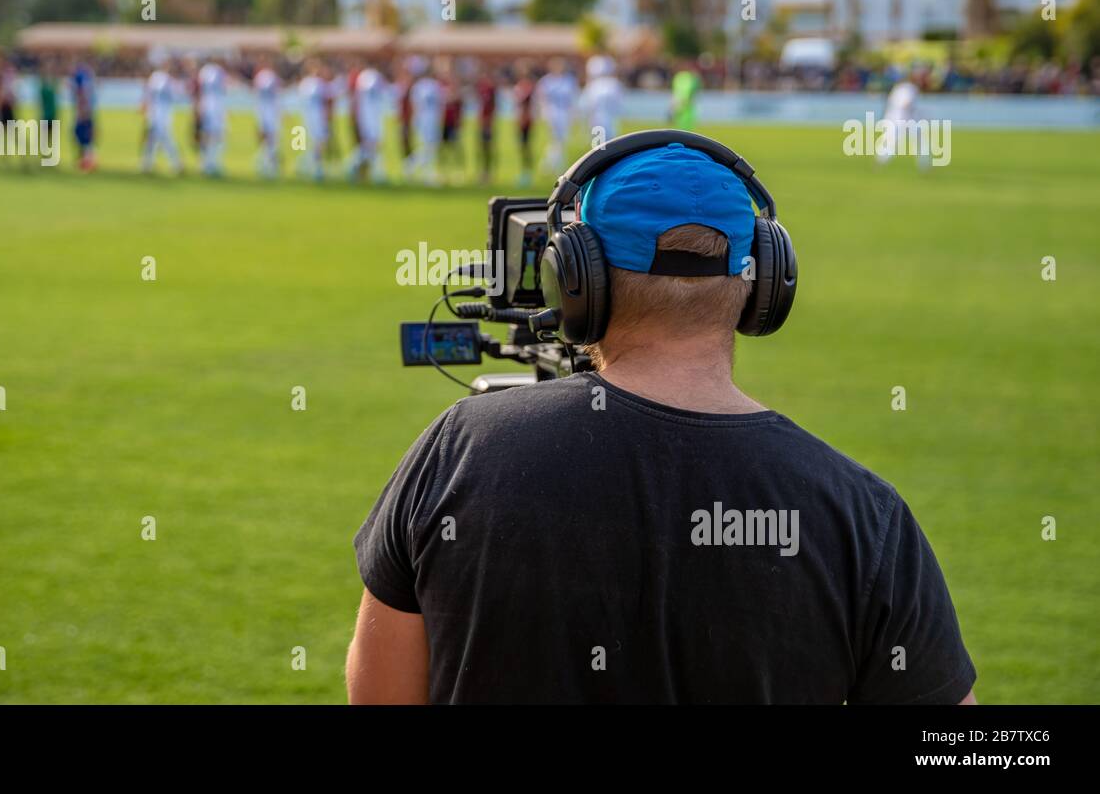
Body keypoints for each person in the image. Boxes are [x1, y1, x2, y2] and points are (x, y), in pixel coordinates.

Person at [347, 136, 977, 704]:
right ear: (764, 285)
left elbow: (379, 696)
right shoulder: (864, 515)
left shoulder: (459, 449)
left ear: (575, 281)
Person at [347, 63, 389, 183]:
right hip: (369, 117)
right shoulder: (369, 77)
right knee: (371, 144)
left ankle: (368, 171)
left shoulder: (367, 77)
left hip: (371, 116)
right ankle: (354, 166)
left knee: (372, 146)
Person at [537, 57, 578, 173]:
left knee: (560, 140)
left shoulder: (569, 81)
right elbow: (541, 98)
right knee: (556, 139)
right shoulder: (546, 81)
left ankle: (549, 163)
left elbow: (572, 98)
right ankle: (557, 164)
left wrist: (573, 114)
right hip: (551, 113)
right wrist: (544, 113)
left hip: (564, 113)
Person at [140, 60, 182, 174]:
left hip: (156, 112)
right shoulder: (165, 79)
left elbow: (148, 93)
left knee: (155, 138)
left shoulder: (156, 77)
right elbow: (174, 97)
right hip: (161, 113)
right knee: (162, 138)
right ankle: (176, 163)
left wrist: (144, 106)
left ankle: (147, 164)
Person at [407, 58, 444, 185]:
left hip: (424, 119)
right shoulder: (433, 85)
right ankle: (416, 167)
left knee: (429, 148)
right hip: (429, 119)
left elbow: (415, 105)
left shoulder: (419, 86)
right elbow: (439, 104)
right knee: (429, 148)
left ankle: (415, 167)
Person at [296, 58, 330, 181]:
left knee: (313, 143)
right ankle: (316, 168)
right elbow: (326, 97)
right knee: (318, 142)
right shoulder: (316, 83)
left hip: (309, 115)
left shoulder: (305, 83)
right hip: (315, 116)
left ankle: (306, 165)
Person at [579, 55, 623, 147]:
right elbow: (618, 104)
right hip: (608, 120)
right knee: (610, 146)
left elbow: (585, 105)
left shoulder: (594, 85)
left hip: (598, 119)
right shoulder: (614, 83)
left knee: (598, 149)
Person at [197, 57, 229, 176]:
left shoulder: (204, 72)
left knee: (210, 136)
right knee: (216, 136)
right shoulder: (217, 72)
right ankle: (210, 163)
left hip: (207, 106)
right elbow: (223, 89)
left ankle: (206, 162)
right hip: (213, 107)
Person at [253, 56, 283, 178]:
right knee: (270, 137)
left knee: (271, 138)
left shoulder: (263, 76)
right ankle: (267, 162)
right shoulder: (266, 76)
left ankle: (268, 162)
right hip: (267, 110)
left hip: (266, 109)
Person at [512, 61, 537, 186]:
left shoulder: (528, 88)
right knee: (522, 146)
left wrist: (524, 118)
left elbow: (527, 105)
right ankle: (525, 172)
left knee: (526, 146)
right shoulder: (519, 86)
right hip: (521, 120)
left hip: (525, 121)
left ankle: (527, 173)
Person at [70, 59, 98, 172]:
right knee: (85, 136)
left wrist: (82, 111)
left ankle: (87, 162)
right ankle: (86, 160)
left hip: (84, 112)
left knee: (83, 136)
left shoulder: (81, 80)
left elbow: (82, 95)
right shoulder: (87, 79)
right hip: (86, 111)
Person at [474, 62, 497, 185]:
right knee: (481, 147)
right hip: (482, 121)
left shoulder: (491, 89)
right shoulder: (481, 88)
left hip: (488, 122)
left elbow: (493, 106)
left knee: (488, 147)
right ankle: (483, 172)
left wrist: (490, 122)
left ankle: (488, 172)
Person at [670, 62, 701, 131]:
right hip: (685, 101)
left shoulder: (679, 77)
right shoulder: (690, 78)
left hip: (682, 101)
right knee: (684, 120)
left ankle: (683, 133)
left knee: (683, 120)